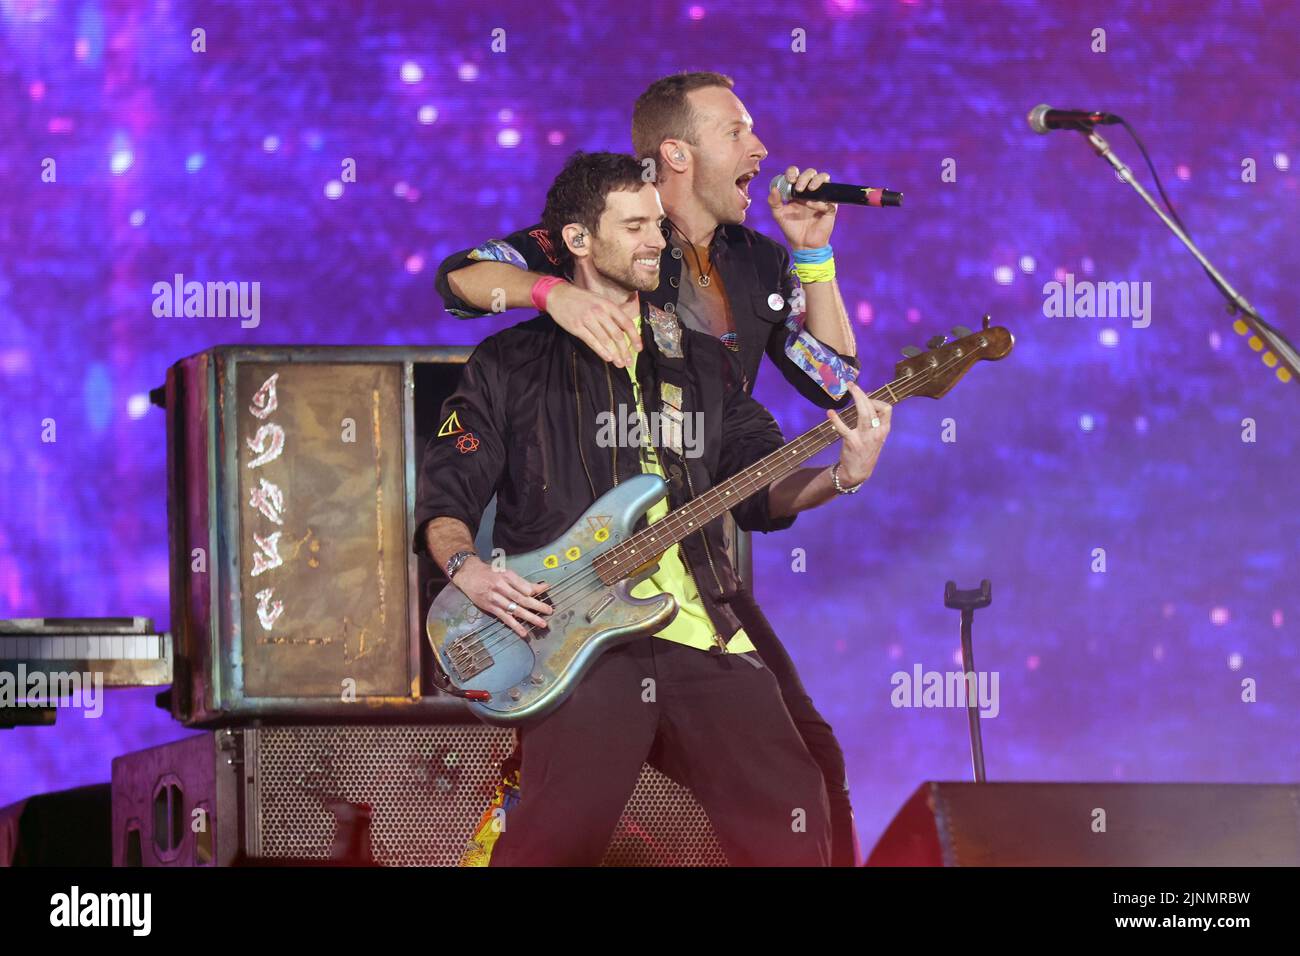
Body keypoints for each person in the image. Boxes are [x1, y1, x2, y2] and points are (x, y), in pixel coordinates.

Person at [435, 71, 867, 866]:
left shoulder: (755, 264)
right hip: (589, 572)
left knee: (809, 765)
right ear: (677, 154)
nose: (761, 148)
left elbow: (836, 385)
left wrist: (815, 259)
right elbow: (459, 280)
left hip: (699, 545)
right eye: (737, 130)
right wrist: (551, 298)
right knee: (570, 809)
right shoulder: (607, 219)